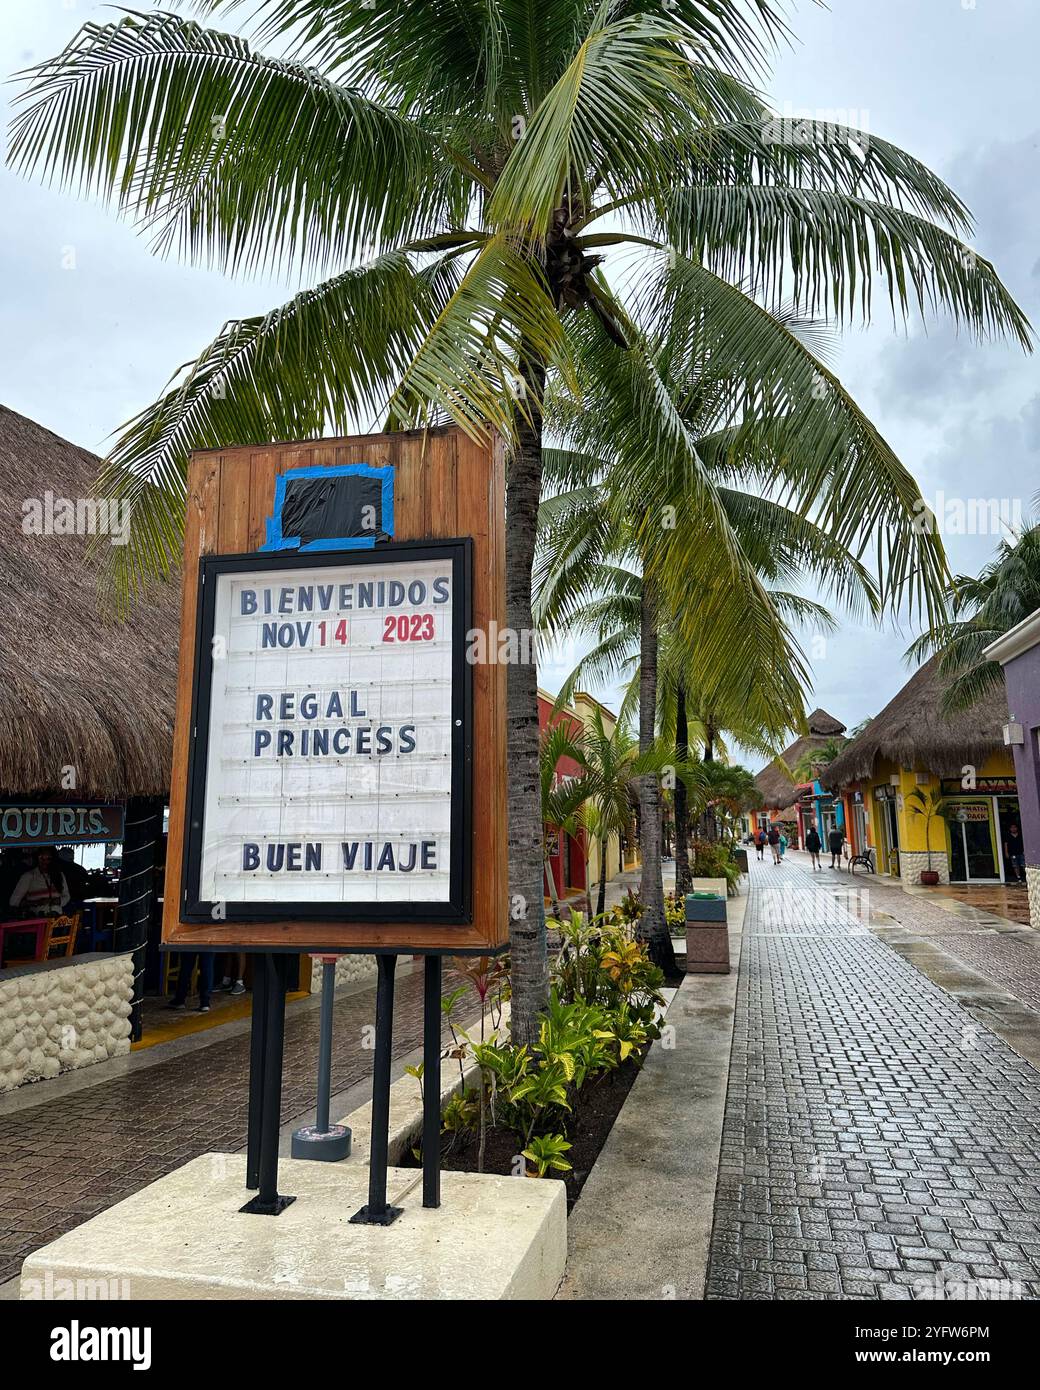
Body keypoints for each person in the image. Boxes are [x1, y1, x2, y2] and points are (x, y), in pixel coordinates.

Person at [9, 846, 70, 917]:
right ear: (36, 858)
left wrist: (58, 901)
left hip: (57, 920)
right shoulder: (29, 876)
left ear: (53, 859)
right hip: (37, 920)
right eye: (41, 858)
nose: (45, 861)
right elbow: (13, 902)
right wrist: (36, 903)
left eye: (48, 858)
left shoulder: (60, 875)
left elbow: (66, 896)